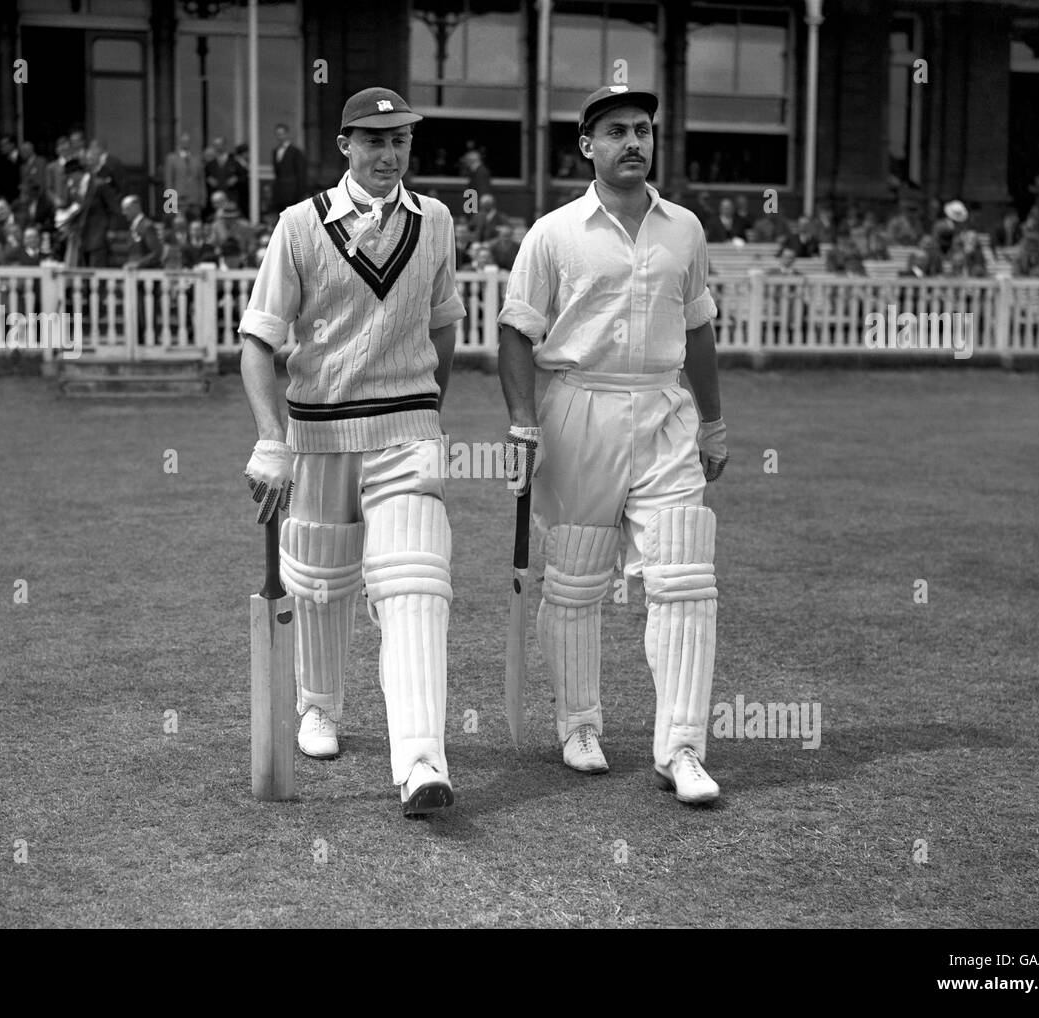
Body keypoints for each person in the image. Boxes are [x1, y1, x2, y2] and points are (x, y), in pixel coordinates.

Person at [496, 85, 728, 806]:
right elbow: (515, 328)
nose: (634, 142)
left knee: (685, 574)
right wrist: (522, 422)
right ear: (587, 146)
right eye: (618, 131)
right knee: (576, 579)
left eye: (644, 130)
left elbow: (696, 329)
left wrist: (714, 423)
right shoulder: (555, 232)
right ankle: (579, 725)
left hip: (663, 407)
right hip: (578, 407)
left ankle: (681, 749)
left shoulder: (684, 228)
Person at [238, 87, 465, 817]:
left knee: (416, 586)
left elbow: (443, 328)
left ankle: (422, 760)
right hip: (318, 432)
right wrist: (271, 440)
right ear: (344, 145)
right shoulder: (300, 227)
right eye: (372, 140)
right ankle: (318, 706)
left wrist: (427, 409)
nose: (387, 154)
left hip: (406, 433)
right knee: (320, 583)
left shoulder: (435, 222)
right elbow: (258, 342)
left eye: (399, 141)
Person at [164, 133, 207, 221]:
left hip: (195, 198)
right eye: (183, 141)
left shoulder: (197, 159)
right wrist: (170, 201)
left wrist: (203, 198)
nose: (185, 143)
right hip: (179, 198)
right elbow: (169, 180)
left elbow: (201, 180)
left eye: (187, 141)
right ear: (179, 142)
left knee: (195, 222)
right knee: (179, 222)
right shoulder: (172, 158)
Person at [271, 123, 308, 214]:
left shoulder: (295, 152)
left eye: (282, 134)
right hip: (279, 191)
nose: (280, 137)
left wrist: (300, 192)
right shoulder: (276, 151)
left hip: (292, 192)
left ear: (287, 134)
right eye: (278, 134)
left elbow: (301, 173)